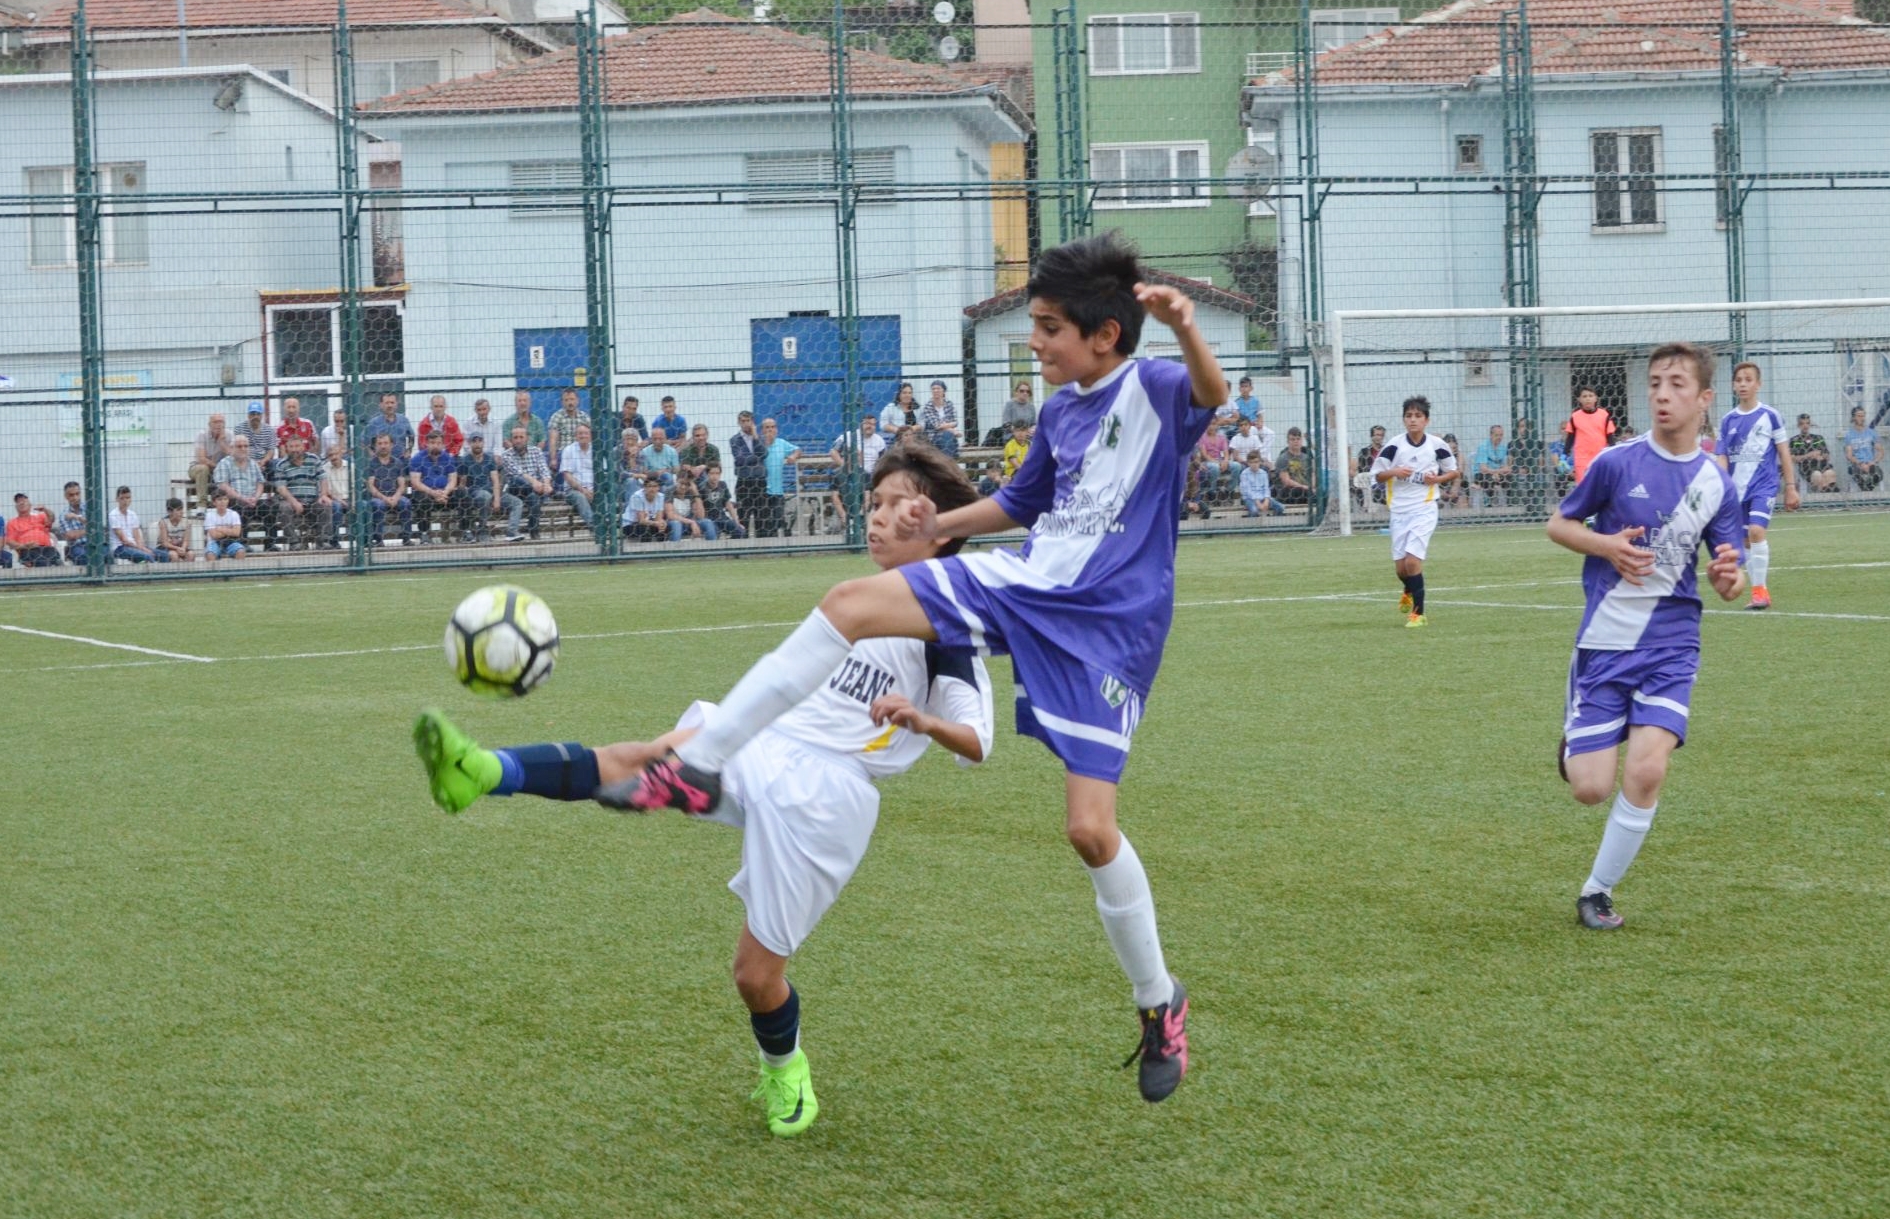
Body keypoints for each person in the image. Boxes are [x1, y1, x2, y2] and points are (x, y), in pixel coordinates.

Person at [616, 235, 1216, 1104]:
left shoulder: (1154, 385)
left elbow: (1212, 393)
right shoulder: (1057, 415)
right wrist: (936, 529)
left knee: (1089, 830)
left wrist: (1189, 330)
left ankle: (1159, 1001)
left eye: (1049, 328)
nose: (1037, 342)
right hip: (1030, 582)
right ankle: (703, 755)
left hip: (1112, 631)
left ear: (1107, 333)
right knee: (854, 602)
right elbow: (1021, 504)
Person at [412, 444, 995, 1139]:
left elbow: (978, 738)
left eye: (892, 505)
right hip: (765, 743)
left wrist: (922, 717)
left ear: (939, 522)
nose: (873, 519)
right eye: (870, 505)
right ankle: (481, 770)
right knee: (644, 754)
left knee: (754, 975)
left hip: (827, 798)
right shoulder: (862, 598)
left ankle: (787, 1071)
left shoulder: (949, 625)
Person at [1548, 341, 1746, 932]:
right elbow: (1558, 524)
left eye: (1677, 384)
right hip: (1606, 641)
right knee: (1589, 788)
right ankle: (1574, 739)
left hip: (1672, 643)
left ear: (1704, 398)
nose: (1662, 393)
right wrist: (1607, 545)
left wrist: (1727, 576)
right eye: (1656, 382)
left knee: (1648, 771)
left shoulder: (1717, 481)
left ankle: (1597, 891)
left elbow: (1729, 578)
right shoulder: (1616, 462)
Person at [1716, 361, 1799, 611]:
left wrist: (1791, 486)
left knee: (1756, 532)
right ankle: (1757, 593)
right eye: (1739, 380)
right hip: (1736, 492)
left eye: (1748, 379)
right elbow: (1722, 457)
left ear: (1758, 384)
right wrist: (1718, 488)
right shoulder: (1728, 420)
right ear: (1733, 385)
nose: (1743, 384)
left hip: (1764, 486)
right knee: (1745, 542)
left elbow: (1784, 452)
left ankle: (1760, 591)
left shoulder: (1770, 416)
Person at [1370, 396, 1459, 627]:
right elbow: (1377, 475)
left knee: (1412, 562)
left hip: (1425, 508)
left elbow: (1453, 471)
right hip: (1399, 511)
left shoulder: (1437, 445)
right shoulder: (1394, 446)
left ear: (1426, 420)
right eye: (1409, 416)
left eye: (1418, 416)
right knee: (1401, 568)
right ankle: (1408, 590)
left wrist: (1437, 479)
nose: (1413, 420)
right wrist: (1395, 471)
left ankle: (1419, 614)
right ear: (1403, 420)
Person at [274, 435, 335, 551]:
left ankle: (323, 542)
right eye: (291, 446)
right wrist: (294, 502)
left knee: (326, 505)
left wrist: (323, 495)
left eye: (297, 446)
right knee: (284, 508)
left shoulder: (314, 459)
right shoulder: (281, 465)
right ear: (287, 448)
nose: (294, 449)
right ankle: (294, 543)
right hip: (291, 502)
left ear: (303, 447)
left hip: (312, 501)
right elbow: (281, 488)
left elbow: (323, 479)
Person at [215, 436, 276, 551]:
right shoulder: (224, 463)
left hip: (253, 501)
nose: (243, 449)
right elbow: (223, 485)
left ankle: (270, 544)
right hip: (235, 501)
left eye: (246, 446)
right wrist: (242, 498)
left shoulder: (253, 463)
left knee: (271, 507)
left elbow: (260, 483)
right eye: (239, 446)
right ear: (232, 448)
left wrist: (256, 498)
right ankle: (242, 544)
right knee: (239, 508)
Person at [828, 416, 886, 533]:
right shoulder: (849, 436)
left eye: (873, 424)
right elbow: (833, 452)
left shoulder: (879, 440)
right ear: (860, 424)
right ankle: (847, 521)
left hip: (870, 478)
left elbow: (883, 460)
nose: (869, 426)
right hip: (849, 477)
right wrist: (847, 468)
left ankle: (869, 523)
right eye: (866, 423)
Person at [409, 428, 464, 544]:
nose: (435, 446)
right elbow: (416, 483)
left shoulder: (448, 458)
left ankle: (466, 531)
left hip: (445, 496)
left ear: (443, 444)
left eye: (438, 443)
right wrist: (433, 493)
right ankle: (424, 534)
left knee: (463, 494)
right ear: (426, 443)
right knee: (420, 497)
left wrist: (445, 492)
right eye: (432, 443)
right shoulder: (417, 458)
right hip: (427, 495)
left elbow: (453, 479)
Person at [499, 425, 553, 541]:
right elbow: (518, 473)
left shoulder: (536, 451)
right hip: (515, 491)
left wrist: (547, 484)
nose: (518, 440)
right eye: (515, 437)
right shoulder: (506, 455)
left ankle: (534, 530)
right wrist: (535, 483)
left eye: (521, 437)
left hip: (535, 491)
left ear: (527, 438)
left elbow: (544, 470)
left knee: (534, 498)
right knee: (518, 480)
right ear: (511, 439)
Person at [364, 433, 414, 546]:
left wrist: (395, 497)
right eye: (380, 443)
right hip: (378, 498)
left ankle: (406, 537)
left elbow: (402, 484)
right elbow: (370, 486)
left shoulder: (398, 463)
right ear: (375, 446)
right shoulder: (371, 464)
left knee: (406, 503)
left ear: (392, 445)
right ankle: (378, 539)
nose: (383, 446)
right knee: (378, 505)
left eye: (386, 443)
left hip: (395, 496)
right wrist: (385, 498)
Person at [1562, 387, 1616, 484]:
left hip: (1600, 458)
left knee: (1600, 487)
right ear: (1579, 399)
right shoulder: (1575, 416)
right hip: (1582, 459)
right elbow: (1570, 438)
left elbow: (1610, 437)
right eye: (1584, 396)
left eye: (1590, 396)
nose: (1588, 398)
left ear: (1595, 398)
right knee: (1584, 488)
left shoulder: (1604, 415)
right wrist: (1564, 455)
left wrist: (1615, 455)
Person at [757, 417, 800, 538]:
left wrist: (793, 456)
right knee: (764, 524)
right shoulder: (758, 445)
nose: (770, 430)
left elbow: (798, 450)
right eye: (767, 427)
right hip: (761, 490)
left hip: (777, 491)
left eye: (772, 427)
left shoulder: (781, 443)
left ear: (776, 429)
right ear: (762, 430)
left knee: (777, 519)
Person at [729, 411, 768, 534]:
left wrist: (755, 437)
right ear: (738, 422)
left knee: (761, 515)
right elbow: (740, 460)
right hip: (744, 481)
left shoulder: (760, 437)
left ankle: (762, 547)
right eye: (743, 421)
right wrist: (757, 457)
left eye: (748, 421)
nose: (746, 424)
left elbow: (764, 454)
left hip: (760, 480)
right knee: (744, 514)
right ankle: (742, 546)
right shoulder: (734, 440)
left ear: (752, 422)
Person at [458, 432, 502, 542]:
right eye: (474, 441)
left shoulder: (489, 458)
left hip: (491, 492)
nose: (477, 444)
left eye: (479, 441)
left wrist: (497, 499)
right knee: (484, 496)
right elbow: (462, 484)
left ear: (483, 442)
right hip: (474, 493)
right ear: (469, 443)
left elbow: (495, 481)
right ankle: (483, 529)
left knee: (515, 502)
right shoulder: (465, 460)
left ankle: (512, 533)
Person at [108, 486, 164, 563]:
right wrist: (142, 549)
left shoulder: (133, 514)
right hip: (119, 548)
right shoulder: (113, 515)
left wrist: (141, 547)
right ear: (117, 499)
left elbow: (137, 536)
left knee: (164, 555)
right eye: (122, 498)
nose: (125, 501)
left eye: (128, 498)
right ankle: (153, 573)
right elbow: (124, 540)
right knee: (148, 556)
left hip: (134, 546)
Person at [188, 413, 234, 506]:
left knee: (233, 468)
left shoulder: (229, 434)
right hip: (199, 468)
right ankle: (202, 505)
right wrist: (218, 467)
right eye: (215, 422)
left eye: (221, 422)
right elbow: (201, 459)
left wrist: (222, 443)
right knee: (203, 468)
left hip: (221, 470)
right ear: (209, 424)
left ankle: (231, 504)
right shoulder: (202, 435)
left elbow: (233, 457)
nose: (219, 424)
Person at [5, 494, 61, 566]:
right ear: (16, 507)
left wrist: (45, 510)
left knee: (57, 560)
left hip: (46, 548)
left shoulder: (40, 516)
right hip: (27, 550)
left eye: (24, 501)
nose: (21, 503)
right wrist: (24, 546)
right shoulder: (12, 523)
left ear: (30, 505)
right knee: (42, 562)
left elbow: (52, 518)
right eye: (18, 502)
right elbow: (10, 541)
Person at [1789, 414, 1839, 493]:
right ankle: (1827, 496)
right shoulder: (1794, 440)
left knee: (1830, 473)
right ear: (1798, 425)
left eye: (1807, 423)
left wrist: (1821, 456)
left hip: (1822, 464)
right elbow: (1792, 459)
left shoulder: (1818, 438)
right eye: (1802, 424)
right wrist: (1809, 455)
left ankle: (1825, 493)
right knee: (1817, 475)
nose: (1805, 426)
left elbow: (1827, 455)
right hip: (1807, 467)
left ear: (1810, 424)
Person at [560, 422, 597, 528]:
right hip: (574, 491)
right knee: (580, 497)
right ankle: (594, 527)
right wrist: (583, 490)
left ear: (590, 436)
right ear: (575, 436)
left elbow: (602, 473)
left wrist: (595, 490)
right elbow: (567, 475)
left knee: (603, 496)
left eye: (586, 433)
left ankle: (608, 524)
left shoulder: (596, 450)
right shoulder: (568, 450)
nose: (583, 436)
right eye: (580, 433)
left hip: (594, 489)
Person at [621, 475, 675, 543]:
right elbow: (641, 520)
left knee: (666, 528)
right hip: (630, 524)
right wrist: (656, 523)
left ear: (658, 487)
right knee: (645, 529)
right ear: (645, 487)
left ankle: (661, 549)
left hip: (648, 522)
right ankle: (644, 551)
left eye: (655, 486)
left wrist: (662, 523)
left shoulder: (661, 496)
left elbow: (658, 518)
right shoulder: (637, 496)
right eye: (649, 486)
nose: (652, 489)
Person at [697, 464, 745, 540]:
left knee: (740, 531)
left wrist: (737, 522)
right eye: (712, 473)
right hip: (710, 520)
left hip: (722, 518)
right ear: (707, 474)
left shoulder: (723, 485)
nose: (715, 476)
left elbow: (728, 505)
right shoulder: (702, 488)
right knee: (714, 534)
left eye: (717, 473)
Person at [547, 389, 591, 471]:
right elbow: (553, 440)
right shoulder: (557, 417)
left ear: (577, 400)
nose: (570, 403)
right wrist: (553, 459)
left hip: (581, 452)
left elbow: (590, 438)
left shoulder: (584, 417)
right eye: (566, 400)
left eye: (572, 399)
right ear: (562, 402)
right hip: (563, 453)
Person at [1471, 424, 1512, 508]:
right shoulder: (1483, 447)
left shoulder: (1503, 448)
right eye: (1496, 435)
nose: (1499, 437)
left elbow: (1506, 467)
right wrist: (1497, 472)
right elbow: (1483, 469)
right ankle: (1489, 504)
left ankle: (1508, 504)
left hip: (1497, 474)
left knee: (1510, 478)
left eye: (1501, 435)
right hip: (1482, 475)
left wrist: (1497, 473)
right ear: (1491, 435)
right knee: (1490, 479)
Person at [364, 392, 416, 460]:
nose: (390, 405)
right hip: (382, 463)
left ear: (396, 404)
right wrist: (372, 455)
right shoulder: (374, 423)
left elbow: (412, 436)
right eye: (387, 403)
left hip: (401, 461)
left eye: (392, 402)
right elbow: (364, 440)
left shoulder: (404, 420)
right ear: (381, 405)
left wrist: (409, 451)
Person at [986, 380, 1036, 444]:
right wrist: (1019, 432)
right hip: (1012, 435)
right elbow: (1006, 424)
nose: (1025, 393)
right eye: (1022, 391)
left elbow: (1033, 423)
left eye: (1027, 391)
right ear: (1016, 392)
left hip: (1027, 435)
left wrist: (1032, 429)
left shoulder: (1031, 406)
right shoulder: (1010, 404)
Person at [1845, 406, 1882, 490]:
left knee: (1878, 474)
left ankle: (1866, 492)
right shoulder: (1849, 435)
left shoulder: (1871, 433)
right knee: (1856, 473)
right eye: (1859, 416)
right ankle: (1866, 493)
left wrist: (1873, 462)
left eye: (1863, 416)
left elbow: (1880, 452)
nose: (1862, 418)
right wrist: (1860, 463)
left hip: (1871, 463)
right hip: (1857, 464)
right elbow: (1849, 455)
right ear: (1853, 417)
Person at [1273, 426, 1313, 505]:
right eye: (1293, 439)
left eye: (1298, 439)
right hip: (1290, 491)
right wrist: (1303, 487)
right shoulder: (1283, 458)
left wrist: (1312, 487)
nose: (1296, 441)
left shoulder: (1307, 458)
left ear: (1301, 440)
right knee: (1297, 491)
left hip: (1306, 489)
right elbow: (1286, 481)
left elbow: (1313, 474)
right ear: (1288, 441)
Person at [921, 380, 961, 457]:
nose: (935, 390)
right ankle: (949, 465)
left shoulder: (949, 404)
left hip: (949, 437)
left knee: (947, 436)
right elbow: (937, 425)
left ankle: (947, 465)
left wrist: (948, 428)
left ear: (944, 391)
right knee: (947, 437)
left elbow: (955, 422)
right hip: (933, 438)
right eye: (933, 389)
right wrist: (952, 430)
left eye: (938, 388)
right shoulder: (928, 407)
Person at [671, 473, 716, 541]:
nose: (683, 487)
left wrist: (695, 493)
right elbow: (670, 515)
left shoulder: (691, 493)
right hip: (677, 523)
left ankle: (712, 548)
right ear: (676, 481)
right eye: (681, 483)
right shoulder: (670, 491)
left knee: (708, 522)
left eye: (686, 484)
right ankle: (674, 550)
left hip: (690, 524)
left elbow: (701, 516)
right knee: (676, 525)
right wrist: (691, 522)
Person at [203, 489, 246, 560]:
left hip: (231, 541)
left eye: (225, 499)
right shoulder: (209, 515)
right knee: (210, 554)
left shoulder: (234, 514)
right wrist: (229, 530)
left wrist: (220, 529)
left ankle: (237, 570)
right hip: (214, 542)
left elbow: (236, 533)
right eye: (219, 499)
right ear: (214, 502)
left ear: (228, 500)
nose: (223, 502)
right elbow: (214, 535)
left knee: (241, 551)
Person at [54, 481, 90, 566]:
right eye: (71, 495)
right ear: (66, 496)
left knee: (107, 554)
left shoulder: (89, 508)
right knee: (82, 556)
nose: (75, 497)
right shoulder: (64, 515)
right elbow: (70, 536)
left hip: (93, 543)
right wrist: (90, 528)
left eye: (77, 494)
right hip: (77, 546)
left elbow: (97, 526)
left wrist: (76, 517)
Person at [1354, 424, 1387, 510]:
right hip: (1370, 479)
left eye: (1381, 435)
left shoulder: (1386, 451)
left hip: (1384, 479)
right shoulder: (1364, 452)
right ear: (1371, 436)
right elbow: (1361, 469)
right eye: (1377, 435)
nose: (1379, 437)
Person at [1238, 449, 1279, 516]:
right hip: (1250, 499)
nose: (1254, 464)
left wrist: (1266, 500)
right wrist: (1258, 503)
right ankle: (1252, 525)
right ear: (1248, 463)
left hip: (1263, 497)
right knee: (1254, 511)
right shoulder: (1244, 474)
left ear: (1260, 462)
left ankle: (1274, 523)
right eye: (1251, 462)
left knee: (1280, 507)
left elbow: (1266, 488)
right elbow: (1248, 492)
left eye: (1256, 462)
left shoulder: (1263, 473)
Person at [152, 497, 192, 562]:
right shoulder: (163, 522)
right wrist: (177, 548)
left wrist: (183, 548)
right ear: (169, 511)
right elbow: (165, 543)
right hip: (165, 548)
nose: (181, 512)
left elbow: (186, 541)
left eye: (182, 509)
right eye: (178, 509)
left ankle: (188, 572)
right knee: (174, 555)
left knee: (191, 554)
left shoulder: (187, 522)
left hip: (181, 547)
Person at [642, 427, 680, 491]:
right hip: (651, 478)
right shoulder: (645, 452)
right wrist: (657, 473)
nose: (658, 441)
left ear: (665, 439)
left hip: (667, 477)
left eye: (660, 439)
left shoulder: (672, 451)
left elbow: (677, 469)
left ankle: (667, 498)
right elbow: (644, 471)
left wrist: (666, 471)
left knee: (667, 476)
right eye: (655, 439)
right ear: (651, 439)